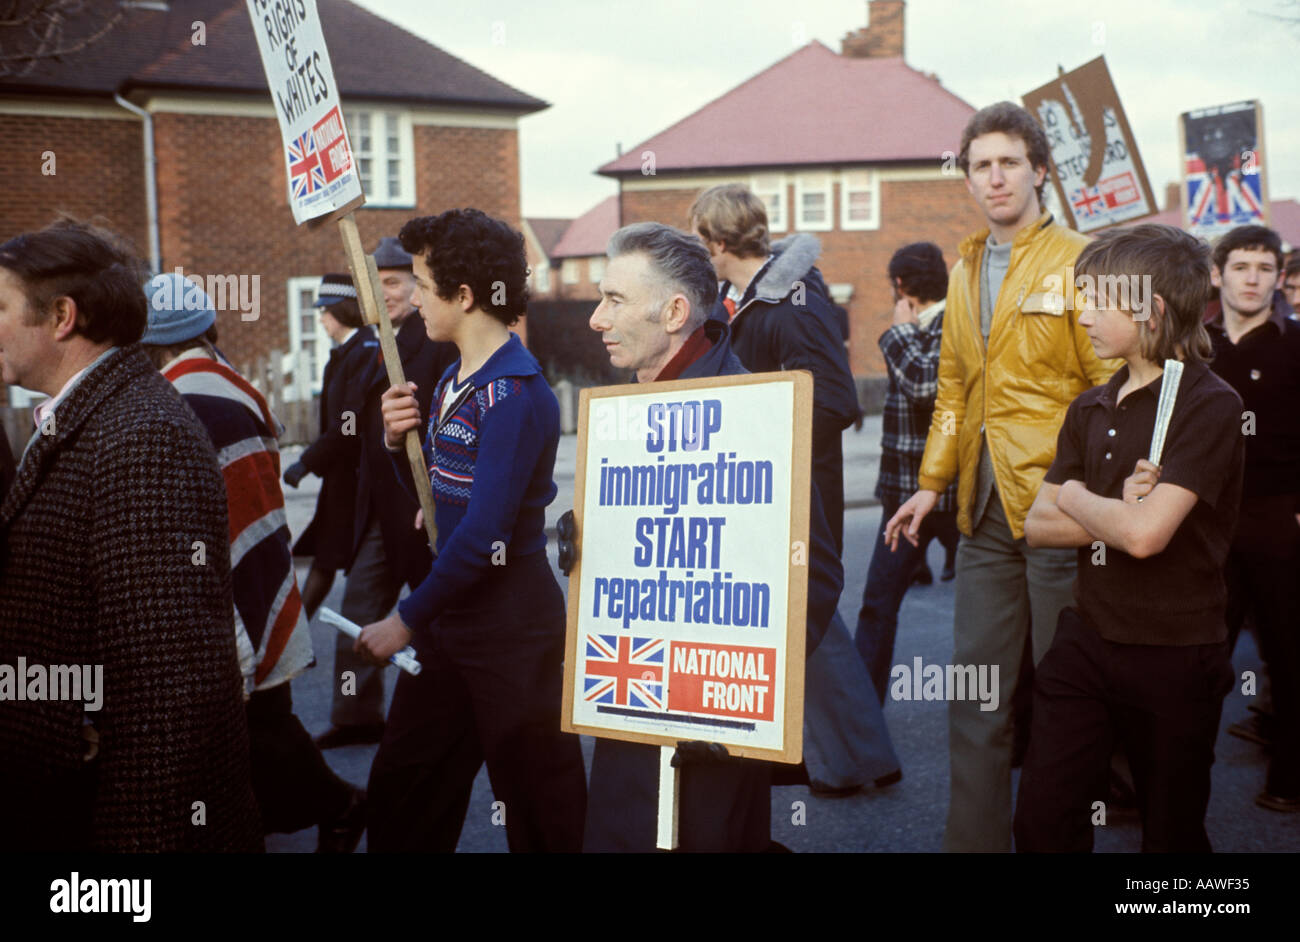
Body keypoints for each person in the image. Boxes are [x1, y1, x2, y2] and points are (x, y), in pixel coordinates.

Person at [578, 222, 894, 852]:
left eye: (613, 300)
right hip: (630, 699)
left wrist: (740, 686)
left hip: (713, 721)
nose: (594, 318)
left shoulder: (753, 413)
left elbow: (819, 573)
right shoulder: (625, 409)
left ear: (672, 312)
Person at [883, 101, 1120, 852]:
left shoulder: (1083, 260)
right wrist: (930, 483)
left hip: (1061, 507)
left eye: (1008, 162)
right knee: (975, 696)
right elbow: (954, 387)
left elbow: (1109, 387)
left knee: (1065, 697)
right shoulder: (962, 266)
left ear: (1040, 170)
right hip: (981, 510)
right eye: (979, 165)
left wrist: (1095, 499)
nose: (993, 177)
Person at [0, 219, 261, 851]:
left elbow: (168, 685)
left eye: (0, 306)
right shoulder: (86, 415)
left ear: (61, 316)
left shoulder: (143, 436)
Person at [356, 208, 586, 852]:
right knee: (404, 790)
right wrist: (397, 445)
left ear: (464, 296)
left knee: (541, 809)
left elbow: (486, 536)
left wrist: (405, 618)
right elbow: (435, 514)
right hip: (452, 617)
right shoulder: (454, 379)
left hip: (511, 626)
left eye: (424, 287)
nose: (413, 301)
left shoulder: (514, 395)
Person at [1015, 223, 1243, 851]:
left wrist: (1078, 496)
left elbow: (1145, 537)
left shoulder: (1210, 404)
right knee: (1043, 819)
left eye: (1095, 301)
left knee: (1171, 836)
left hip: (1177, 651)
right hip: (1087, 638)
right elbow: (1037, 528)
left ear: (1150, 310)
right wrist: (1114, 508)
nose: (1081, 315)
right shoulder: (1089, 405)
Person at [140, 272, 367, 852]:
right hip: (259, 574)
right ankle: (325, 811)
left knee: (260, 732)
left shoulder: (188, 394)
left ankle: (341, 806)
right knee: (262, 730)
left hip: (238, 592)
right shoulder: (219, 380)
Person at [314, 238, 458, 750]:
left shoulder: (436, 339)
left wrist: (439, 491)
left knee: (434, 614)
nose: (385, 293)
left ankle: (445, 714)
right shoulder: (380, 342)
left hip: (421, 505)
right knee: (357, 608)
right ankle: (355, 715)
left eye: (395, 282)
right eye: (376, 284)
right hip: (375, 506)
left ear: (419, 286)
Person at [690, 184, 860, 555]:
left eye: (698, 237)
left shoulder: (794, 304)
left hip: (796, 502)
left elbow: (834, 402)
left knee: (808, 611)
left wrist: (758, 448)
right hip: (752, 498)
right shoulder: (728, 301)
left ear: (718, 242)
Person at [1203, 224, 1300, 812]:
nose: (1252, 278)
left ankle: (1288, 780)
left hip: (1277, 519)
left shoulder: (1295, 346)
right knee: (1199, 656)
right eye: (1240, 266)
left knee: (1289, 655)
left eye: (1265, 268)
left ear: (1280, 278)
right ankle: (1181, 785)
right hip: (1205, 523)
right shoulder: (1193, 348)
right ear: (1218, 274)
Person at [854, 242, 960, 703]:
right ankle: (862, 720)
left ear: (899, 285)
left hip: (946, 494)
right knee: (878, 607)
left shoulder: (955, 323)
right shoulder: (948, 320)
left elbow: (923, 386)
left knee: (992, 615)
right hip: (907, 494)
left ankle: (860, 735)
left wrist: (898, 332)